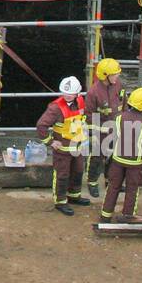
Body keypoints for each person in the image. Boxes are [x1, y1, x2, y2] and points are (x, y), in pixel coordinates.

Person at [100, 87, 142, 224]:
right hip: (135, 164)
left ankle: (105, 216)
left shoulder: (119, 118)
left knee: (113, 188)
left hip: (117, 160)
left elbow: (112, 135)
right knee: (132, 190)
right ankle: (127, 218)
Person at [35, 76, 90, 215]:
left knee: (78, 171)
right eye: (65, 92)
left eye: (70, 93)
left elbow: (83, 120)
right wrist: (51, 142)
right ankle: (60, 201)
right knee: (62, 175)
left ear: (77, 93)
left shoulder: (80, 102)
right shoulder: (55, 108)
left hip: (77, 147)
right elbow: (41, 125)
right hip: (62, 150)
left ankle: (74, 195)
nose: (67, 95)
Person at [84, 57, 124, 198]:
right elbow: (88, 116)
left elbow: (123, 103)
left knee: (113, 157)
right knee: (97, 157)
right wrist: (100, 129)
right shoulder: (93, 93)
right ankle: (92, 182)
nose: (117, 76)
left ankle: (109, 181)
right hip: (100, 130)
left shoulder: (118, 85)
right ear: (105, 75)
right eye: (115, 74)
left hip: (116, 128)